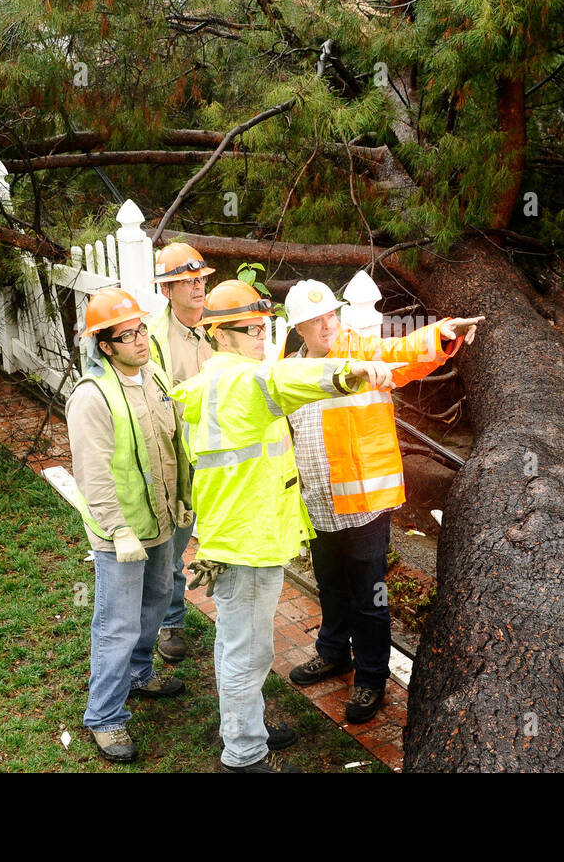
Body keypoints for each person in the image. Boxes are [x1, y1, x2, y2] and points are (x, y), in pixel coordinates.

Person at [171, 280, 404, 772]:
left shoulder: (213, 382)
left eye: (262, 326)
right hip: (247, 543)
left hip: (235, 536)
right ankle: (244, 755)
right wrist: (349, 372)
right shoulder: (245, 382)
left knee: (245, 647)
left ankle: (248, 727)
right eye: (249, 329)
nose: (261, 335)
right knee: (247, 653)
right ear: (219, 335)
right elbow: (286, 380)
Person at [283, 279, 483, 722]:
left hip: (365, 503)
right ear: (298, 327)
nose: (326, 325)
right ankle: (334, 652)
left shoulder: (361, 351)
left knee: (368, 594)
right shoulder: (289, 368)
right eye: (315, 321)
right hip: (318, 502)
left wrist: (440, 335)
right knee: (330, 583)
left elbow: (404, 354)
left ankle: (371, 677)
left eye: (330, 315)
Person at [67, 287, 194, 764]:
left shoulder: (154, 377)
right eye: (129, 335)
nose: (142, 339)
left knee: (157, 601)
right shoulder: (92, 398)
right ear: (105, 346)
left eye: (142, 329)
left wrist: (182, 500)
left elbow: (172, 444)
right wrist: (117, 531)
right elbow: (93, 472)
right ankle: (105, 717)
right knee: (116, 623)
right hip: (119, 532)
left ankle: (139, 675)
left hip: (160, 522)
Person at [144, 242, 216, 664]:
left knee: (223, 539)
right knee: (173, 545)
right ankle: (171, 620)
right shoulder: (155, 338)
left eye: (199, 279)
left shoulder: (222, 326)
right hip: (181, 458)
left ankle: (229, 612)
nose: (196, 288)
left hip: (223, 455)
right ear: (167, 291)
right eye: (185, 282)